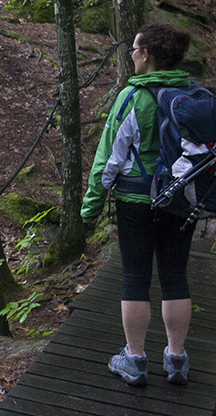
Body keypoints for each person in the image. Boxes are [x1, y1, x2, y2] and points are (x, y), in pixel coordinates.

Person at [81, 23, 197, 387]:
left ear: (146, 55)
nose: (131, 56)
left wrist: (90, 208)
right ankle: (176, 359)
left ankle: (135, 359)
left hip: (136, 199)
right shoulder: (193, 95)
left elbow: (108, 160)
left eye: (133, 50)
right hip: (180, 198)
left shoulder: (133, 98)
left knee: (136, 278)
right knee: (175, 276)